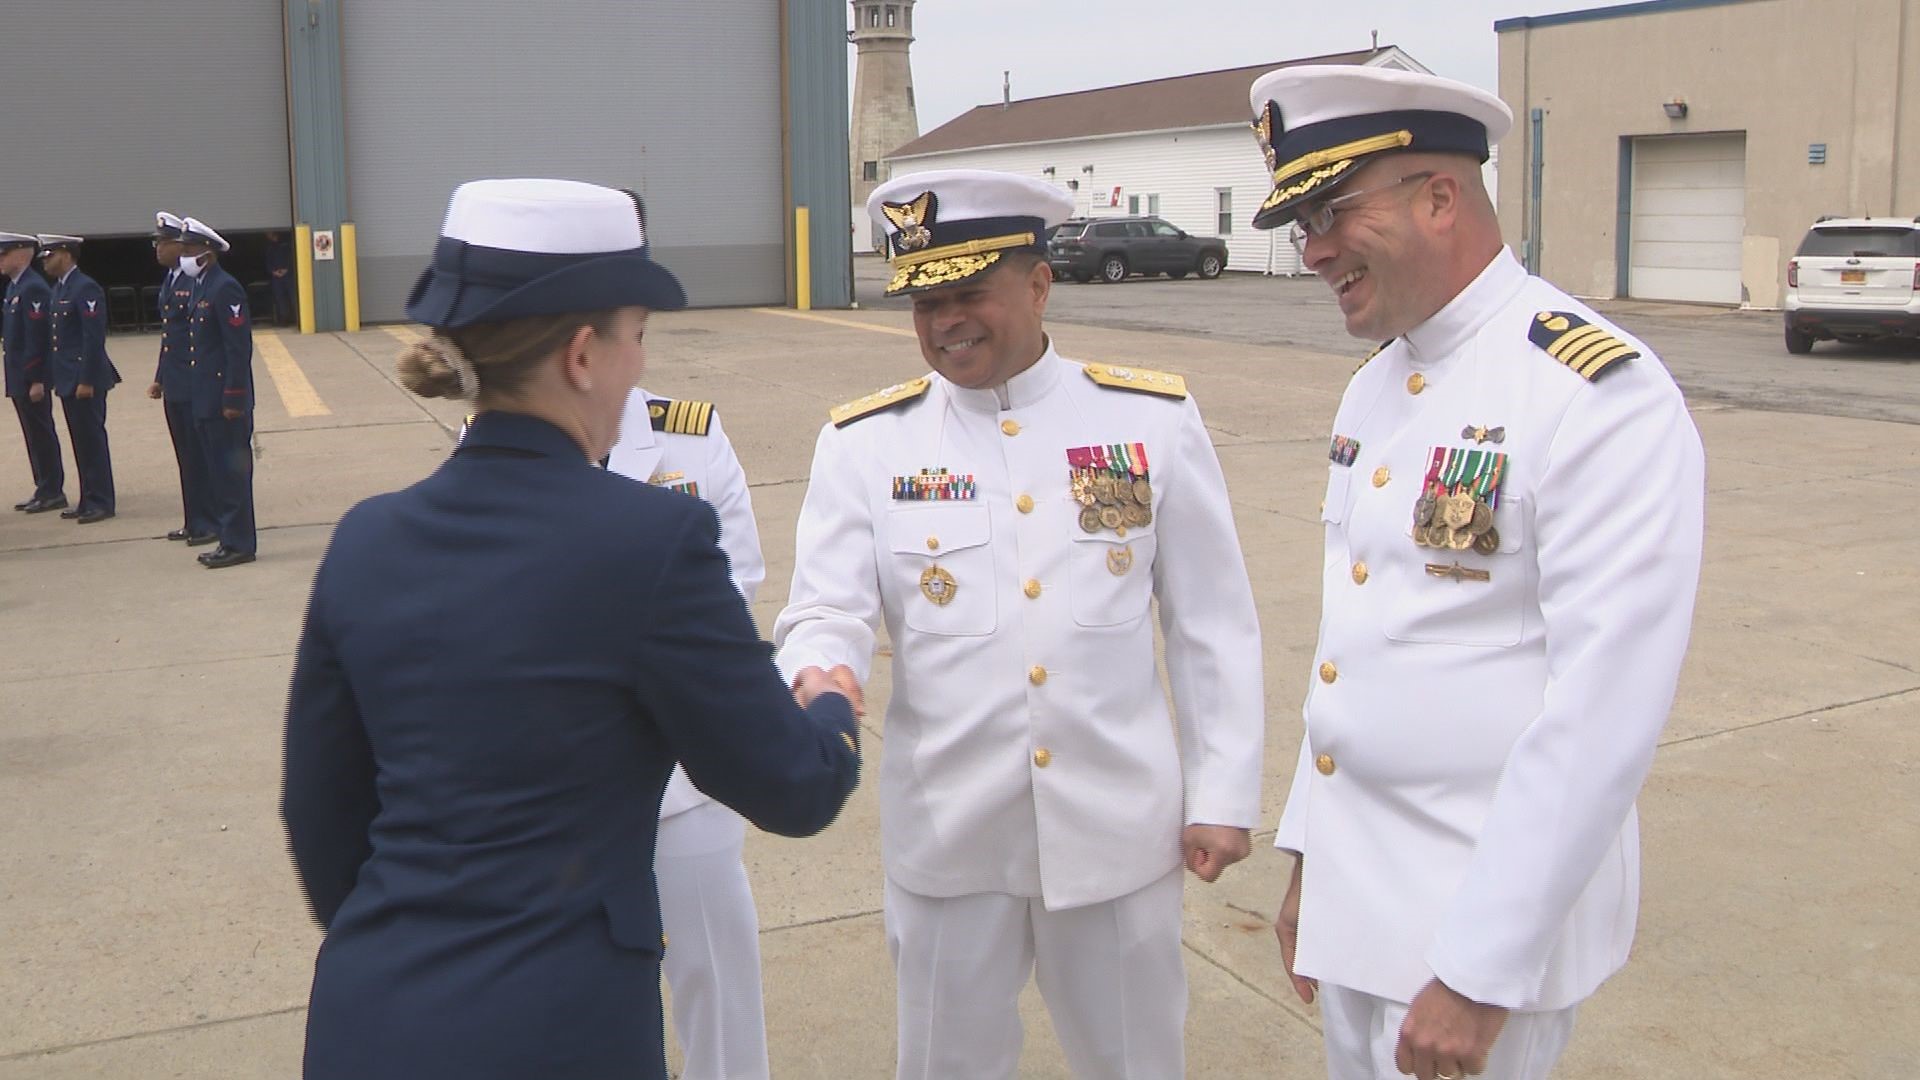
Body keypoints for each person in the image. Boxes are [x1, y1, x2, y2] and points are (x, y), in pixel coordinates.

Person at [281, 177, 864, 1080]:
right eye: (636, 335)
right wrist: (830, 708)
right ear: (585, 355)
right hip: (558, 1028)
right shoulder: (650, 542)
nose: (641, 363)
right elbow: (792, 785)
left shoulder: (368, 537)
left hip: (372, 1017)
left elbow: (322, 817)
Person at [1244, 66, 1706, 1080]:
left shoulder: (1593, 396)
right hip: (1360, 905)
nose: (1313, 250)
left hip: (1475, 929)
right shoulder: (1374, 390)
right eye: (1301, 223)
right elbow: (1355, 653)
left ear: (1440, 198)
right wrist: (1310, 865)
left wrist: (1482, 970)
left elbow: (1602, 716)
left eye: (1331, 213)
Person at [772, 169, 1266, 1079]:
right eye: (923, 301)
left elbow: (1211, 619)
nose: (944, 321)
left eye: (968, 293)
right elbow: (826, 607)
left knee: (1136, 1063)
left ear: (1039, 284)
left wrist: (1225, 794)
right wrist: (824, 671)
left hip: (1118, 831)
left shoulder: (1149, 419)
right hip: (952, 834)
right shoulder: (867, 443)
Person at [605, 388, 774, 1079]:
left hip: (685, 775)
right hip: (570, 782)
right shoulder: (505, 425)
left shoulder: (690, 437)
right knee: (596, 988)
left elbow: (737, 583)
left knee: (717, 975)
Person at [176, 217, 257, 567]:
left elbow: (237, 348)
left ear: (206, 254)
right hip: (206, 399)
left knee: (231, 476)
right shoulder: (202, 286)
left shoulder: (225, 288)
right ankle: (228, 538)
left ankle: (239, 543)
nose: (184, 256)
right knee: (218, 475)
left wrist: (234, 397)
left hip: (225, 402)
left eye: (189, 250)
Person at [146, 212, 217, 545]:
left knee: (199, 456)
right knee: (185, 456)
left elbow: (196, 338)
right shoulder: (172, 280)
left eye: (163, 242)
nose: (157, 248)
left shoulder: (194, 281)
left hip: (192, 383)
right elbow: (170, 335)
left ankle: (207, 521)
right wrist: (160, 376)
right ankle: (193, 520)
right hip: (175, 381)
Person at [37, 234, 118, 524]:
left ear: (67, 255)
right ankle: (87, 499)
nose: (45, 262)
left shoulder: (85, 287)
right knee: (81, 442)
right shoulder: (59, 288)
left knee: (92, 440)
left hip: (86, 380)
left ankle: (102, 501)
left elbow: (92, 338)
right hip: (68, 378)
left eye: (50, 256)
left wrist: (87, 379)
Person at [1, 230, 65, 514]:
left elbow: (37, 337)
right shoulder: (15, 287)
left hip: (30, 376)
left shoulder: (33, 287)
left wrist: (37, 378)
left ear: (21, 253)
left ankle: (52, 489)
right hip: (18, 374)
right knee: (31, 434)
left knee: (40, 431)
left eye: (3, 254)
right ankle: (42, 485)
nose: (0, 260)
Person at [265, 230, 295, 327]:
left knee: (293, 297)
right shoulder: (269, 247)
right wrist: (273, 271)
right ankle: (284, 319)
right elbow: (267, 262)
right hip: (276, 277)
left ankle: (296, 318)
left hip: (289, 276)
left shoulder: (286, 245)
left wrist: (287, 269)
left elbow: (292, 258)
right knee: (279, 299)